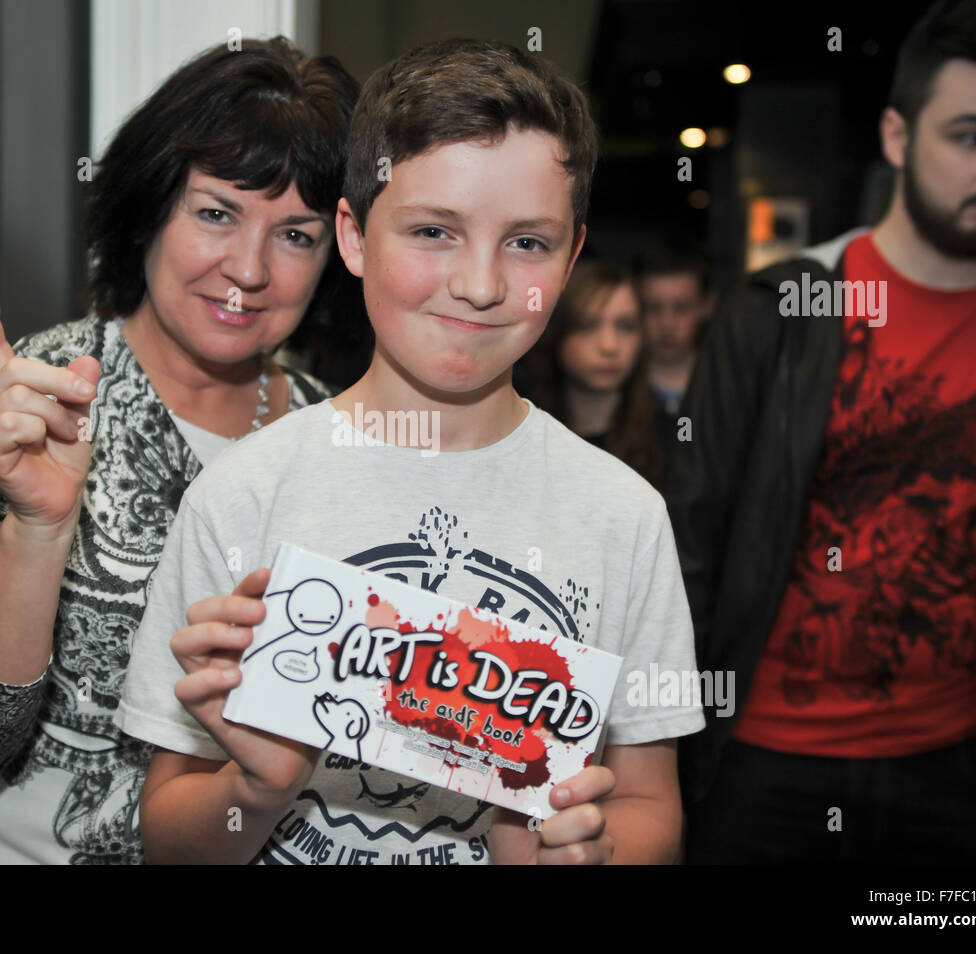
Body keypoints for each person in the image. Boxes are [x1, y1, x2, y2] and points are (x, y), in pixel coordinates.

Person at [116, 38, 705, 866]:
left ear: (571, 261)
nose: (480, 283)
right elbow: (170, 844)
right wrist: (256, 788)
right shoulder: (241, 496)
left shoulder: (626, 517)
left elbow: (651, 805)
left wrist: (587, 851)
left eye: (528, 243)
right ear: (353, 238)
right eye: (434, 230)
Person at [0, 38, 361, 864]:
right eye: (215, 212)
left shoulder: (344, 444)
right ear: (148, 208)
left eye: (296, 234)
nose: (247, 269)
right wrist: (36, 529)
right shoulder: (21, 408)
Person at [667, 0, 976, 864]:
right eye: (971, 133)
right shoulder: (782, 311)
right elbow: (690, 545)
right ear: (898, 136)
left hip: (963, 769)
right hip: (763, 761)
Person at [521, 260, 664, 485]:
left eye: (626, 326)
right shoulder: (523, 438)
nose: (609, 346)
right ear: (557, 331)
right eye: (587, 325)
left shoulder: (671, 442)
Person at [631, 238, 714, 423]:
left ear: (707, 305)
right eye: (652, 307)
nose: (666, 323)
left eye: (682, 308)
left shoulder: (726, 386)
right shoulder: (616, 390)